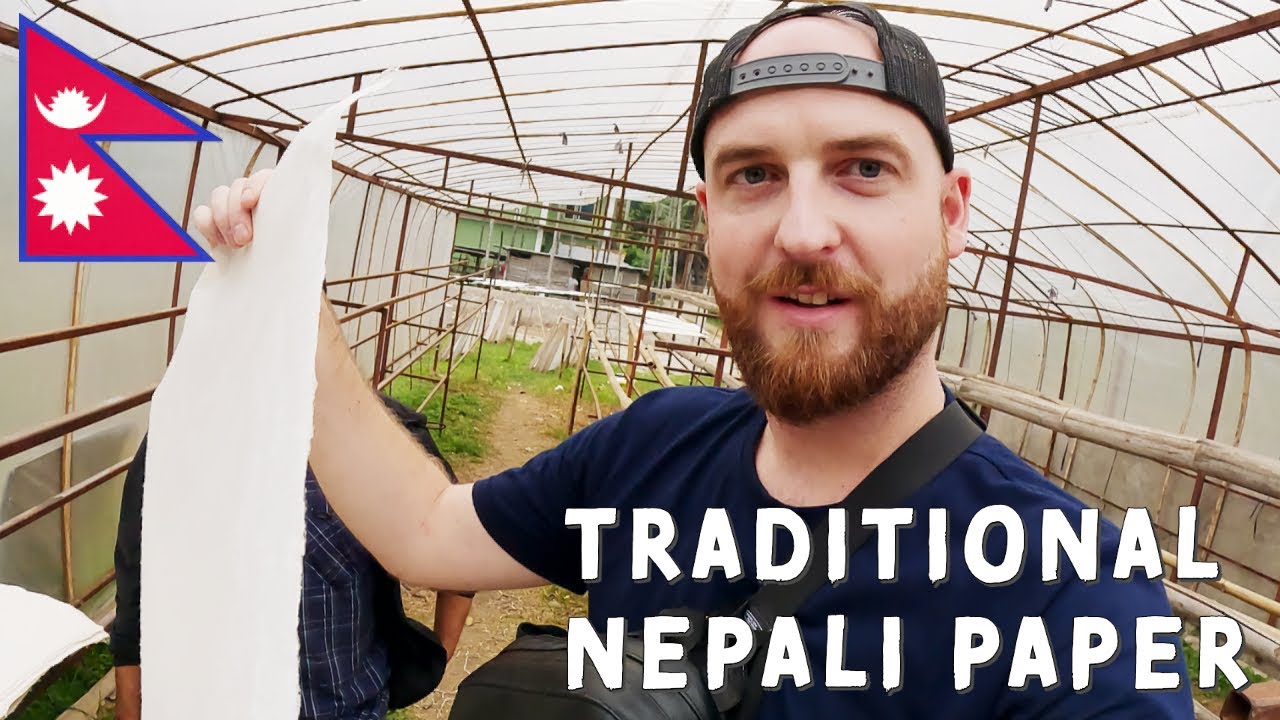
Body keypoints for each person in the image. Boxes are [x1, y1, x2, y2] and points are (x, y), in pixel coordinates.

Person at [192, 3, 1194, 717]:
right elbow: (422, 531)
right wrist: (291, 299)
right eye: (753, 175)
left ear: (947, 215)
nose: (803, 231)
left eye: (862, 169)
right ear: (707, 224)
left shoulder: (1073, 599)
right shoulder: (654, 445)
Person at [109, 393, 475, 720]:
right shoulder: (185, 434)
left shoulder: (372, 431)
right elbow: (136, 575)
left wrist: (438, 653)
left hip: (347, 707)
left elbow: (456, 540)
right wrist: (131, 699)